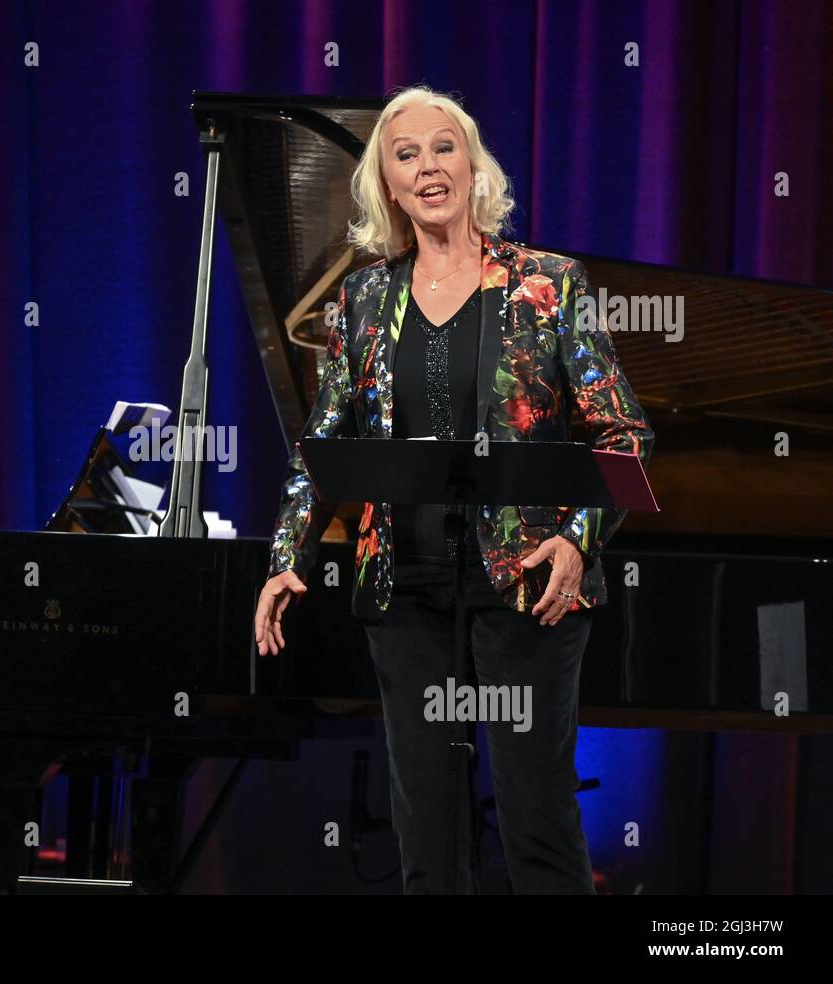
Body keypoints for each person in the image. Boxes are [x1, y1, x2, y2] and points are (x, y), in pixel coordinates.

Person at [253, 86, 654, 894]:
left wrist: (576, 542)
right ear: (388, 187)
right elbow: (322, 448)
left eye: (444, 147)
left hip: (528, 585)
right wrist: (285, 553)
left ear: (473, 166)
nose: (429, 166)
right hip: (407, 591)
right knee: (425, 829)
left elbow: (625, 437)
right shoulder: (363, 300)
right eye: (406, 155)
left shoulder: (549, 285)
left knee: (538, 816)